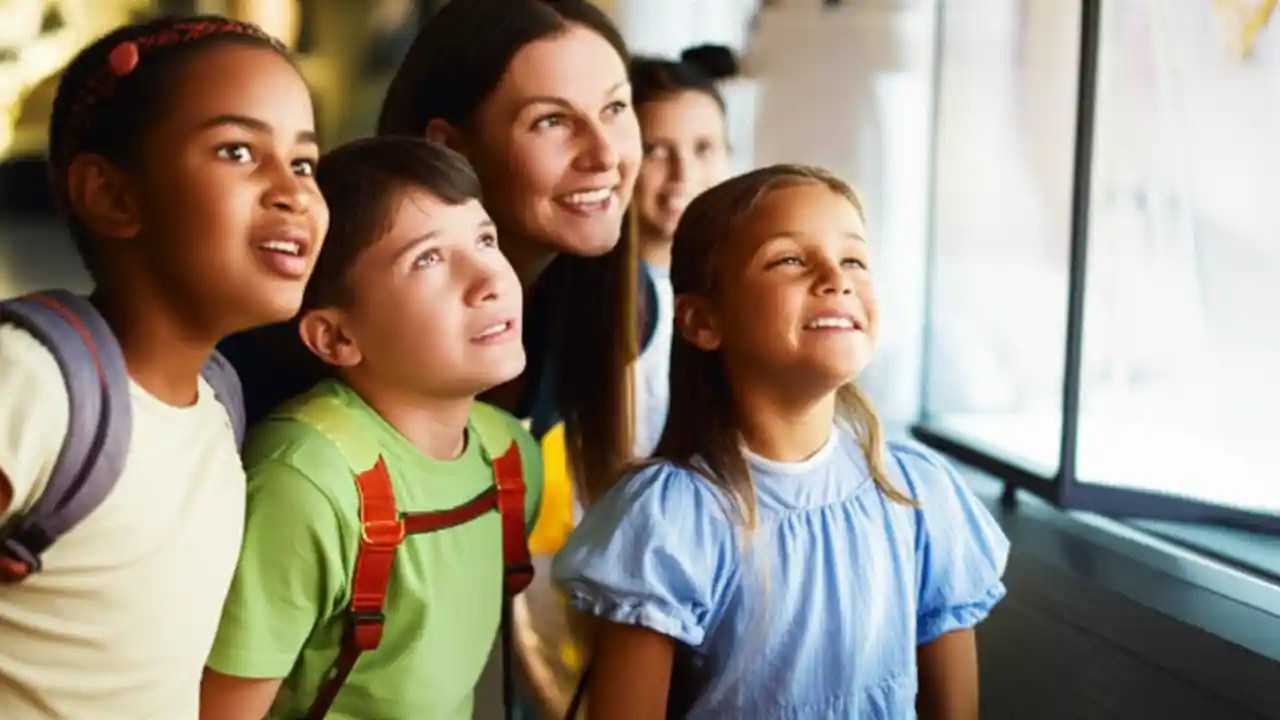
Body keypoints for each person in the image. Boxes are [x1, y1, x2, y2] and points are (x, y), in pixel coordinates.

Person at [554, 165, 1010, 719]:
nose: (836, 278)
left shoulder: (921, 495)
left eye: (853, 260)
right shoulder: (670, 520)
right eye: (790, 259)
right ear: (702, 321)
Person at [0, 16, 325, 719]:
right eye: (237, 151)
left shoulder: (217, 401)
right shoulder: (37, 383)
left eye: (304, 163)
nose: (293, 191)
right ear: (112, 196)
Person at [200, 136, 544, 720]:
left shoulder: (511, 457)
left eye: (485, 239)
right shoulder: (307, 482)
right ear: (336, 336)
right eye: (428, 259)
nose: (489, 278)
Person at [629, 47, 736, 455]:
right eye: (655, 150)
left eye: (704, 148)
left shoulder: (741, 288)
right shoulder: (600, 294)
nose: (683, 174)